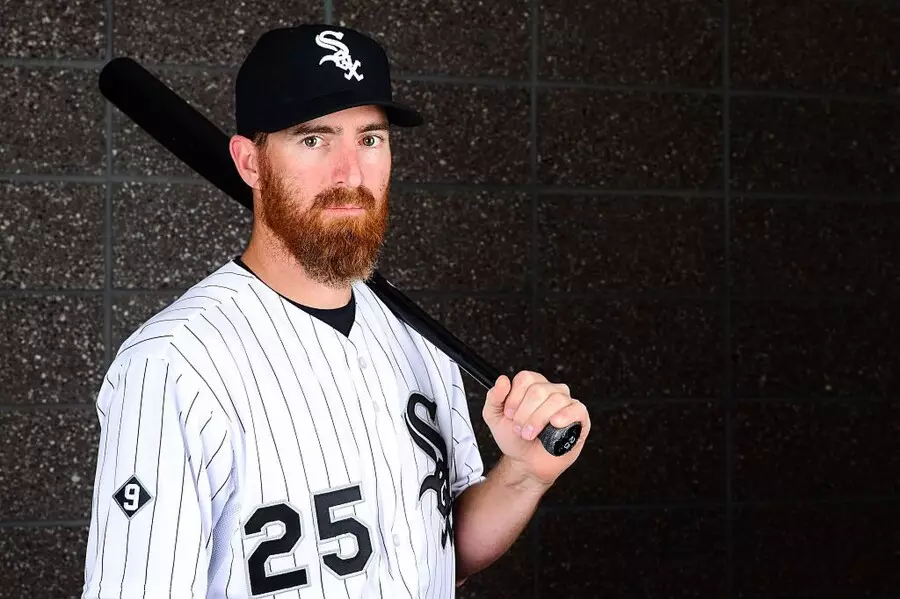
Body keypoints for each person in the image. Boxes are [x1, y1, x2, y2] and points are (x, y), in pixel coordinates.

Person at [81, 23, 590, 599]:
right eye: (314, 139)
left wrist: (523, 474)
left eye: (369, 139)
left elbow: (444, 557)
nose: (350, 173)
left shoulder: (419, 340)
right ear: (250, 163)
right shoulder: (174, 365)